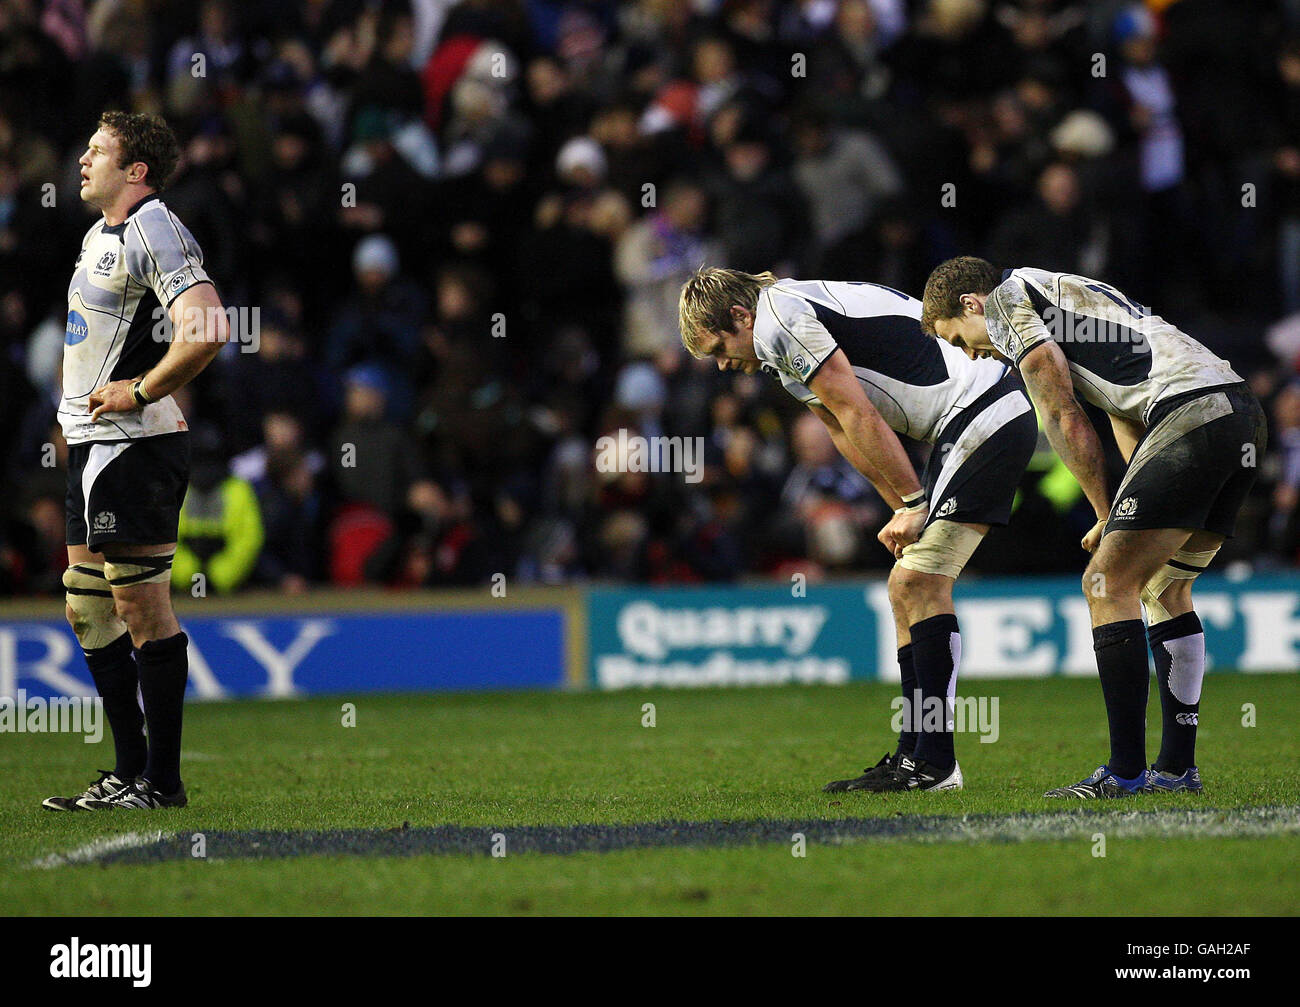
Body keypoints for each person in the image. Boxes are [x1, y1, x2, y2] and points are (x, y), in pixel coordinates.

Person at [679, 267, 1038, 792]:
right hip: (964, 421)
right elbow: (843, 429)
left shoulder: (780, 318)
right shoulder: (781, 346)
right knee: (906, 588)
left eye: (718, 346)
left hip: (985, 411)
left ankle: (934, 763)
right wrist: (901, 508)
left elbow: (860, 412)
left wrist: (915, 502)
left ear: (740, 315)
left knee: (917, 584)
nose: (721, 363)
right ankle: (917, 755)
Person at [921, 256, 1267, 797]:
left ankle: (1125, 772)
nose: (970, 352)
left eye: (960, 338)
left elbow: (1061, 414)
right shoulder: (1065, 291)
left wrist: (1107, 516)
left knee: (1105, 584)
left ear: (972, 305)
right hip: (1238, 413)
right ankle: (1176, 770)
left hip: (1191, 415)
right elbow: (1123, 411)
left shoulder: (1007, 301)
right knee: (1166, 587)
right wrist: (1127, 500)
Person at [44, 111, 228, 812]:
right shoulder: (100, 234)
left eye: (99, 150)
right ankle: (127, 771)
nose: (84, 159)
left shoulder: (155, 225)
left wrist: (144, 388)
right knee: (88, 608)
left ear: (136, 170)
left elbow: (209, 324)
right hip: (94, 447)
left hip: (137, 445)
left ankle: (164, 782)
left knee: (140, 607)